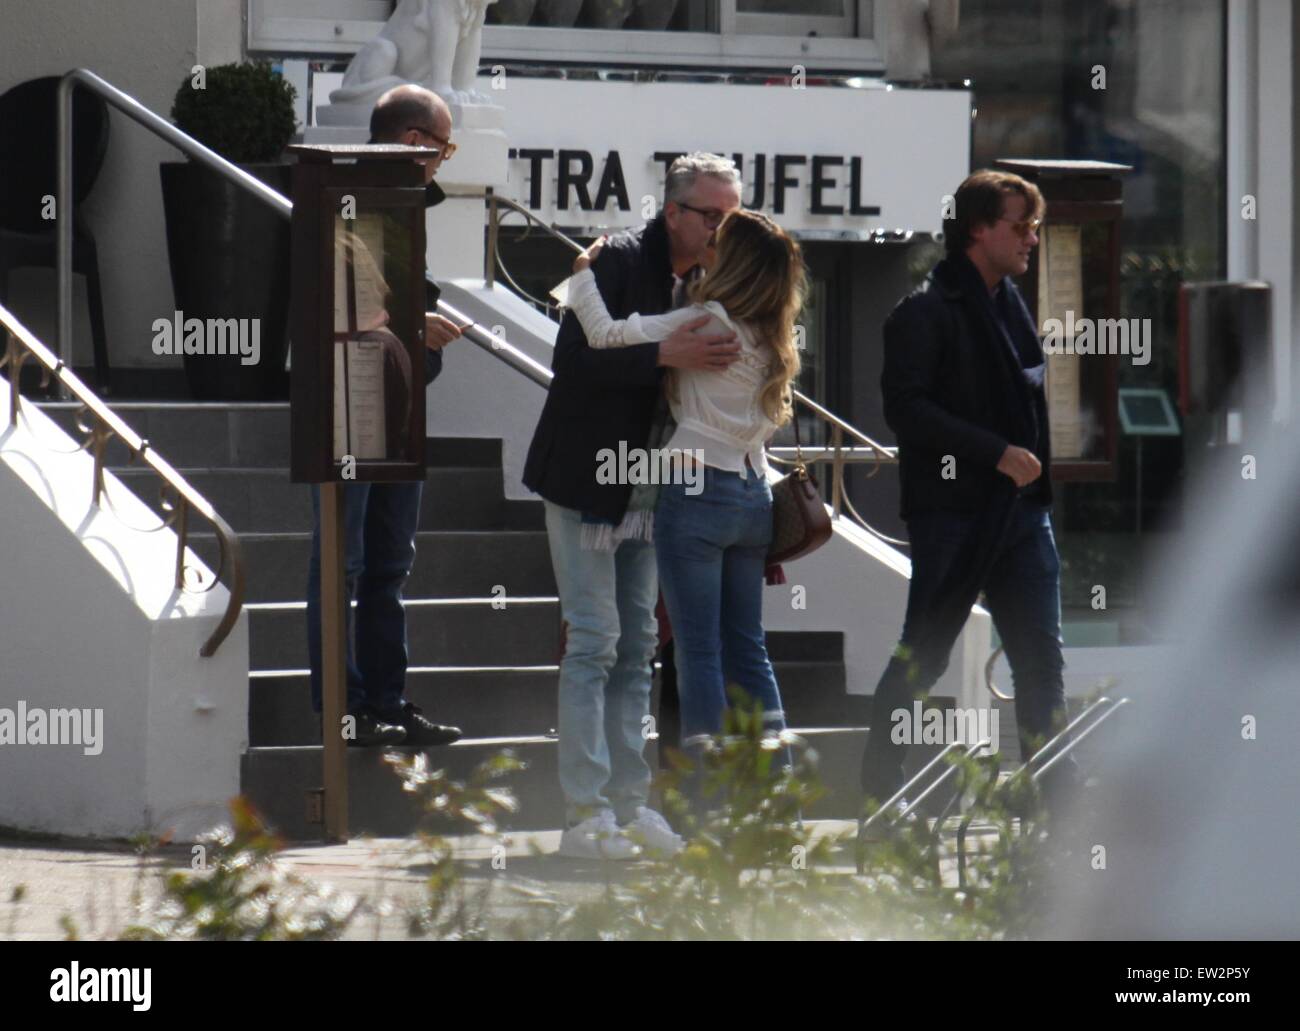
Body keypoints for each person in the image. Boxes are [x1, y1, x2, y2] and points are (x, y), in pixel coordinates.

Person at [522, 153, 743, 858]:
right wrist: (662, 355)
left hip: (653, 481)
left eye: (731, 215)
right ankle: (585, 814)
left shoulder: (716, 275)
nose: (722, 227)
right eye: (712, 214)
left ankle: (630, 803)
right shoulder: (615, 259)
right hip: (588, 479)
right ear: (673, 211)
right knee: (594, 638)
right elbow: (576, 363)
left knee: (640, 646)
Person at [567, 210, 805, 799]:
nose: (707, 246)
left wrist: (579, 277)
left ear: (735, 261)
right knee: (749, 651)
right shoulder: (775, 331)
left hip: (695, 493)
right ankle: (778, 801)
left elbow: (605, 334)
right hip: (753, 499)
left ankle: (710, 805)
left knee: (697, 652)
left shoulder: (704, 321)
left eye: (718, 242)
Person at [858, 168, 1071, 811]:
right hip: (953, 512)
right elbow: (907, 410)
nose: (1032, 238)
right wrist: (996, 453)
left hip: (1022, 515)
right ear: (979, 229)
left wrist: (1022, 472)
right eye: (1021, 225)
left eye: (1034, 225)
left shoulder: (1009, 304)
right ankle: (879, 791)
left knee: (1041, 659)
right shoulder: (923, 311)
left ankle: (1055, 795)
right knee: (923, 653)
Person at [305, 84, 465, 748]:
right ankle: (346, 709)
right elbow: (335, 299)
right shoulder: (345, 192)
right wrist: (412, 323)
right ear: (411, 141)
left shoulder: (406, 200)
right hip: (352, 396)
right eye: (442, 148)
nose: (443, 162)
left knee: (389, 561)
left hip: (397, 401)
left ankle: (386, 701)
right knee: (345, 558)